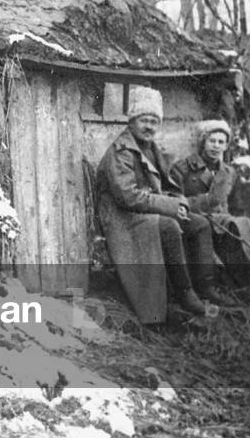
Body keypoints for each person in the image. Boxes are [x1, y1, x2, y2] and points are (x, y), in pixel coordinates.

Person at [94, 86, 231, 322]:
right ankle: (184, 294)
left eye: (154, 121)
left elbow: (164, 186)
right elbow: (127, 196)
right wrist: (168, 207)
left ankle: (205, 286)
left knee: (198, 224)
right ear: (132, 121)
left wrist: (178, 201)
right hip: (122, 218)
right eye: (144, 120)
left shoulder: (151, 148)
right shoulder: (122, 151)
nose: (149, 127)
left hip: (144, 211)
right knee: (168, 225)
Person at [169, 119, 250, 289]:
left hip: (223, 224)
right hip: (196, 221)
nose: (216, 146)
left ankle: (241, 285)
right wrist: (204, 201)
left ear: (226, 146)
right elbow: (175, 199)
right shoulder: (182, 168)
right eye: (212, 141)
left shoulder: (229, 172)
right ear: (203, 142)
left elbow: (232, 203)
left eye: (221, 142)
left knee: (241, 227)